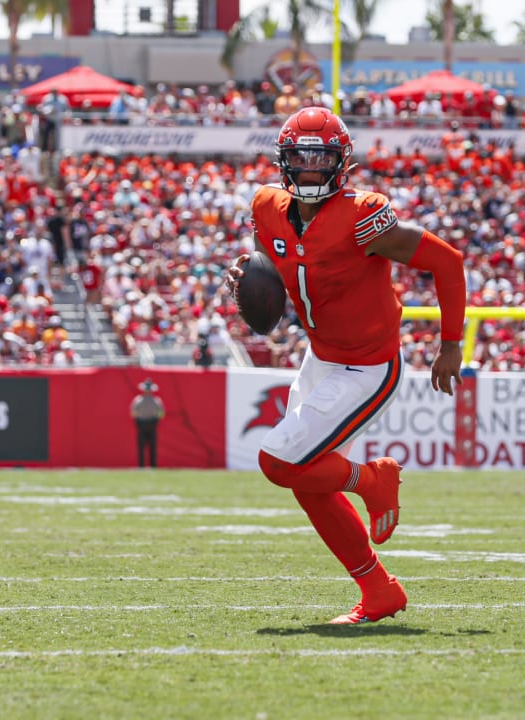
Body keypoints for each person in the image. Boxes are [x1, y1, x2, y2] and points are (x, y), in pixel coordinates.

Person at [224, 107, 465, 625]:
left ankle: (371, 480)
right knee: (306, 480)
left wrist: (451, 344)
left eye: (321, 158)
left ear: (342, 162)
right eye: (300, 158)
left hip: (368, 367)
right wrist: (249, 276)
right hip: (321, 357)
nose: (310, 170)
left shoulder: (363, 217)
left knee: (278, 461)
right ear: (284, 162)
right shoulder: (267, 207)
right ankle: (379, 591)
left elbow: (448, 260)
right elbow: (278, 266)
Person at [131, 378, 165, 468]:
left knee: (143, 447)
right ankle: (152, 466)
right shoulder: (156, 400)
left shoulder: (138, 400)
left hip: (142, 423)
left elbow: (133, 413)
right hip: (151, 424)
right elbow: (161, 413)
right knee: (151, 446)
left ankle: (142, 466)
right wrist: (156, 419)